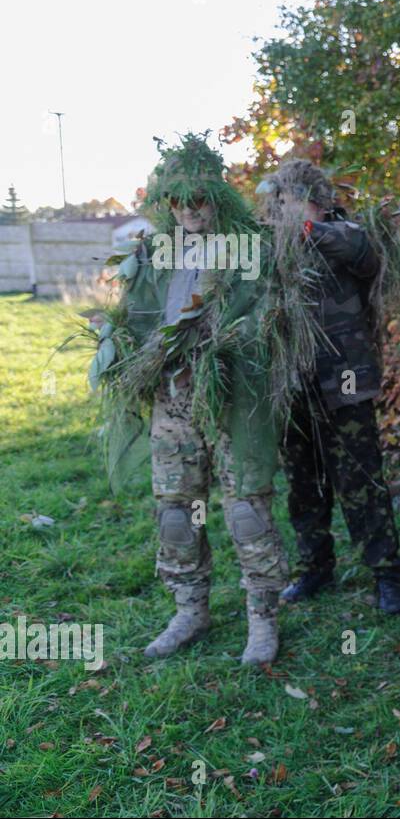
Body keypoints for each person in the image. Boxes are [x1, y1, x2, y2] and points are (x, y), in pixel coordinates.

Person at [97, 134, 290, 665]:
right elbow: (136, 319)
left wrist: (227, 341)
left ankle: (262, 620)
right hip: (172, 397)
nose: (189, 211)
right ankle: (190, 610)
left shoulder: (249, 248)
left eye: (198, 199)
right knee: (178, 513)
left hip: (233, 395)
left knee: (247, 510)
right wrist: (116, 344)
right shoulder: (154, 253)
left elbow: (272, 316)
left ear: (217, 197)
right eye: (177, 202)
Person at [257, 160, 400, 615]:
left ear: (319, 201)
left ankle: (386, 575)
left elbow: (361, 253)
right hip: (292, 382)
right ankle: (314, 568)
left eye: (295, 200)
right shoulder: (268, 246)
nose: (286, 209)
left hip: (345, 381)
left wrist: (298, 227)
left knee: (360, 480)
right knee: (304, 483)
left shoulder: (346, 233)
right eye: (280, 201)